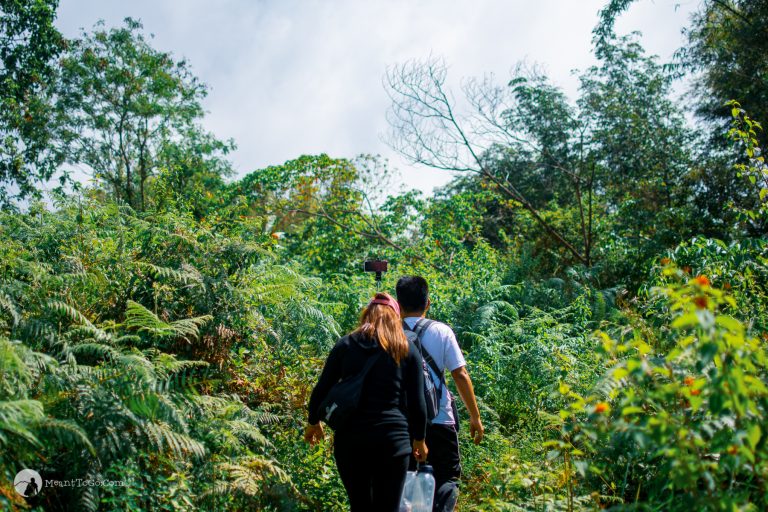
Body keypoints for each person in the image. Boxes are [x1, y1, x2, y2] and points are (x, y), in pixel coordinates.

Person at [305, 292, 429, 512]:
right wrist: (419, 439)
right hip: (393, 440)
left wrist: (313, 422)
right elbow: (418, 403)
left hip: (352, 440)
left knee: (360, 505)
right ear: (395, 317)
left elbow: (321, 388)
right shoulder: (406, 349)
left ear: (367, 315)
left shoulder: (345, 344)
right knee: (388, 506)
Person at [396, 276, 484, 512]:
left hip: (402, 423)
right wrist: (474, 417)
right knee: (447, 479)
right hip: (440, 419)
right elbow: (460, 375)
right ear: (428, 303)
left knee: (403, 482)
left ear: (398, 303)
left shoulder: (389, 333)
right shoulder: (442, 331)